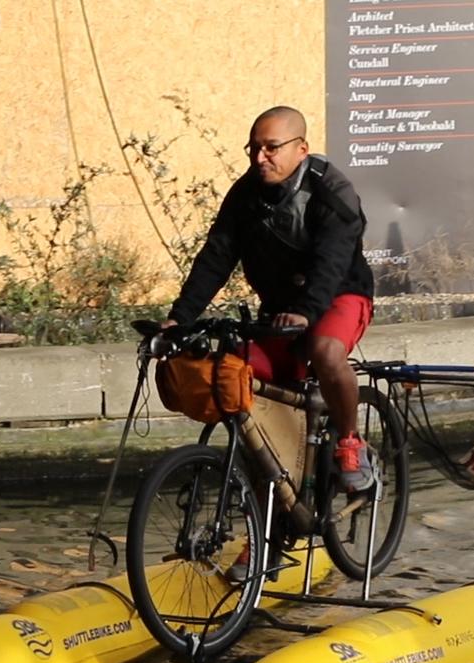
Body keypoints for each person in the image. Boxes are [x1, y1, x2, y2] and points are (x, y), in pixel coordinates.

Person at [160, 106, 376, 492]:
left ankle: (349, 441)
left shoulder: (331, 192)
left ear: (301, 148)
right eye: (254, 148)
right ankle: (267, 530)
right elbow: (216, 257)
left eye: (272, 148)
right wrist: (181, 319)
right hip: (281, 312)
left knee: (326, 352)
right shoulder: (245, 196)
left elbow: (331, 261)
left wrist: (306, 313)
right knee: (234, 370)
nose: (260, 158)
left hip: (339, 295)